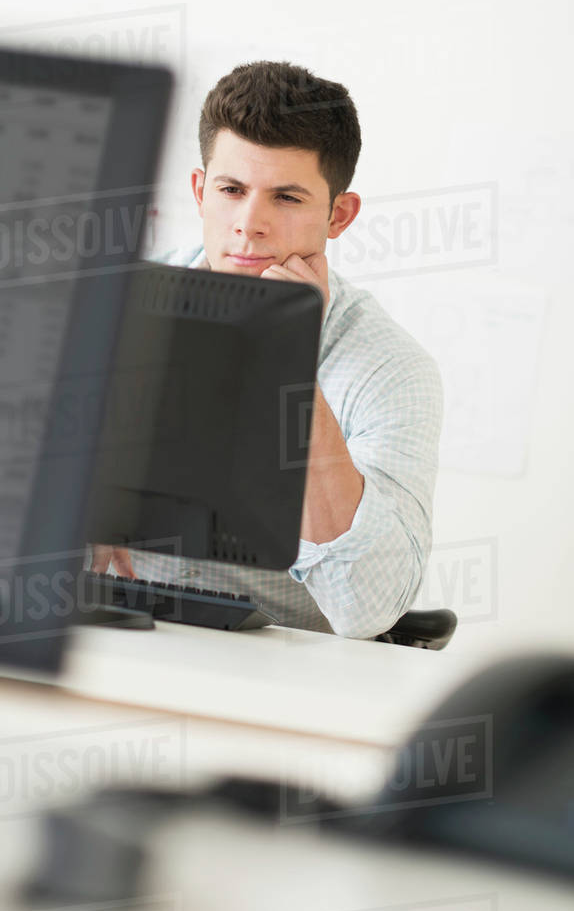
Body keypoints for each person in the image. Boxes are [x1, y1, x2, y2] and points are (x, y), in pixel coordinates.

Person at [91, 61, 443, 638]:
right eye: (231, 190)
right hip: (125, 638)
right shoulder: (113, 308)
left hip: (280, 669)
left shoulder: (391, 371)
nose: (249, 224)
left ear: (338, 216)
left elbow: (367, 610)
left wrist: (291, 365)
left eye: (287, 197)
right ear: (202, 192)